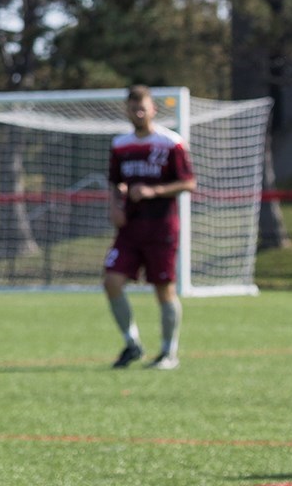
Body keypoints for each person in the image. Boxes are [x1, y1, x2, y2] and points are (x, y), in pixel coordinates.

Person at [103, 84, 196, 371]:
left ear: (153, 109)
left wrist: (153, 192)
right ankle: (132, 344)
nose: (138, 112)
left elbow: (188, 182)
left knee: (163, 290)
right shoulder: (121, 145)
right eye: (133, 108)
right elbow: (114, 181)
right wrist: (115, 205)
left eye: (143, 107)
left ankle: (169, 353)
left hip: (161, 227)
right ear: (127, 110)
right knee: (112, 281)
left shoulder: (171, 143)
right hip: (130, 229)